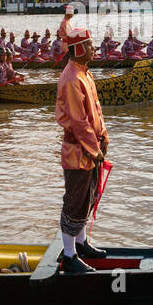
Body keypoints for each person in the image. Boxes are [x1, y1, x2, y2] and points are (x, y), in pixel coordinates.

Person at [54, 25, 108, 274]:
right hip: (78, 150)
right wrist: (93, 148)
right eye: (88, 45)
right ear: (78, 49)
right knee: (74, 201)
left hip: (91, 147)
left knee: (88, 197)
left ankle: (81, 242)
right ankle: (69, 255)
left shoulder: (85, 73)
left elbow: (96, 111)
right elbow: (78, 121)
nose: (93, 48)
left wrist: (103, 137)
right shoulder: (71, 78)